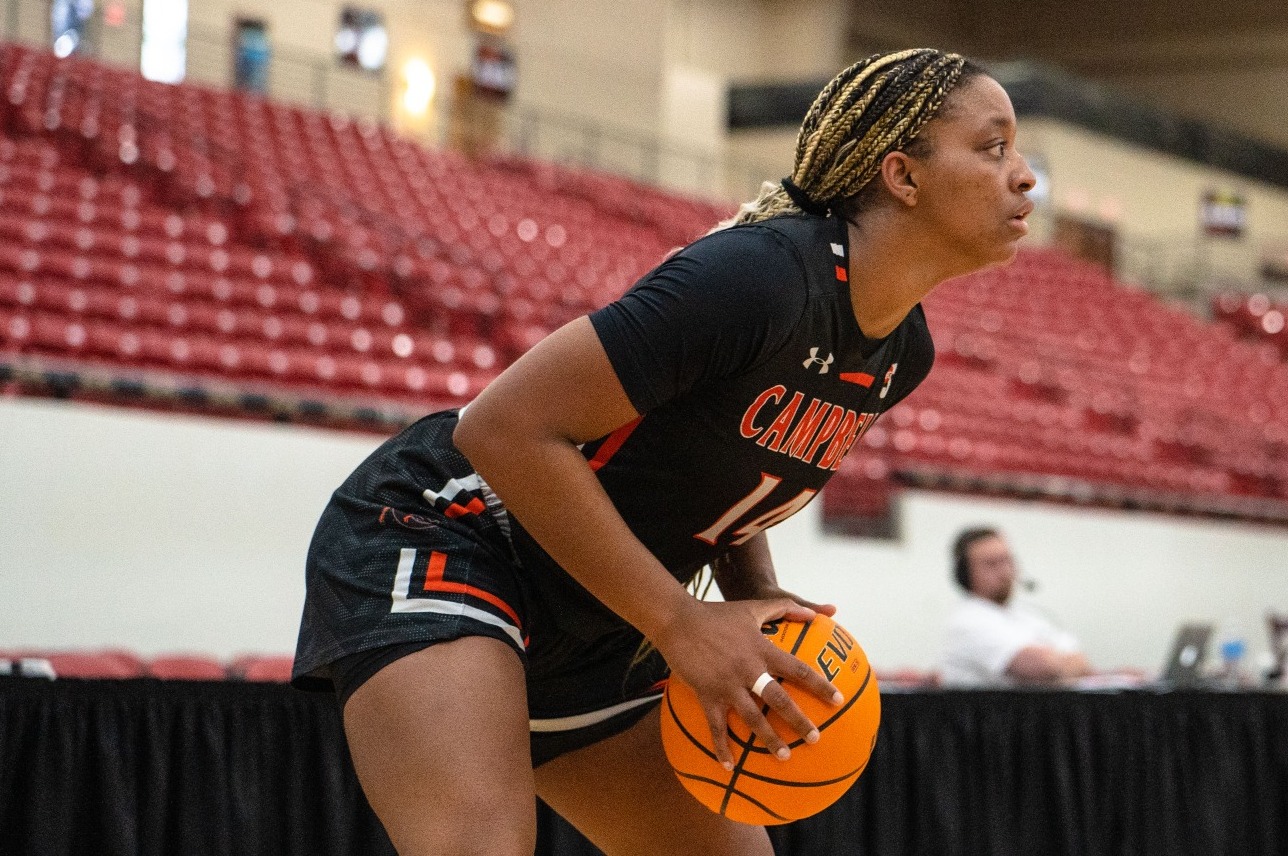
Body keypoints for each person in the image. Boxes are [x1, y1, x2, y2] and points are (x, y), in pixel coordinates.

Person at [292, 49, 1038, 856]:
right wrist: (683, 622)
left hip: (599, 607)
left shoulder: (902, 351)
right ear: (902, 175)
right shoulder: (760, 278)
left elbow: (729, 466)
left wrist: (758, 607)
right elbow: (501, 429)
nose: (1024, 177)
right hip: (449, 534)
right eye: (994, 147)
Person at [941, 527, 1092, 687]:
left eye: (1007, 560)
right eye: (992, 564)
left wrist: (1059, 666)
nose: (1005, 572)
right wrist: (1060, 665)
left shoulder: (1028, 615)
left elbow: (1081, 661)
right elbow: (1042, 667)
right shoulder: (968, 621)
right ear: (965, 574)